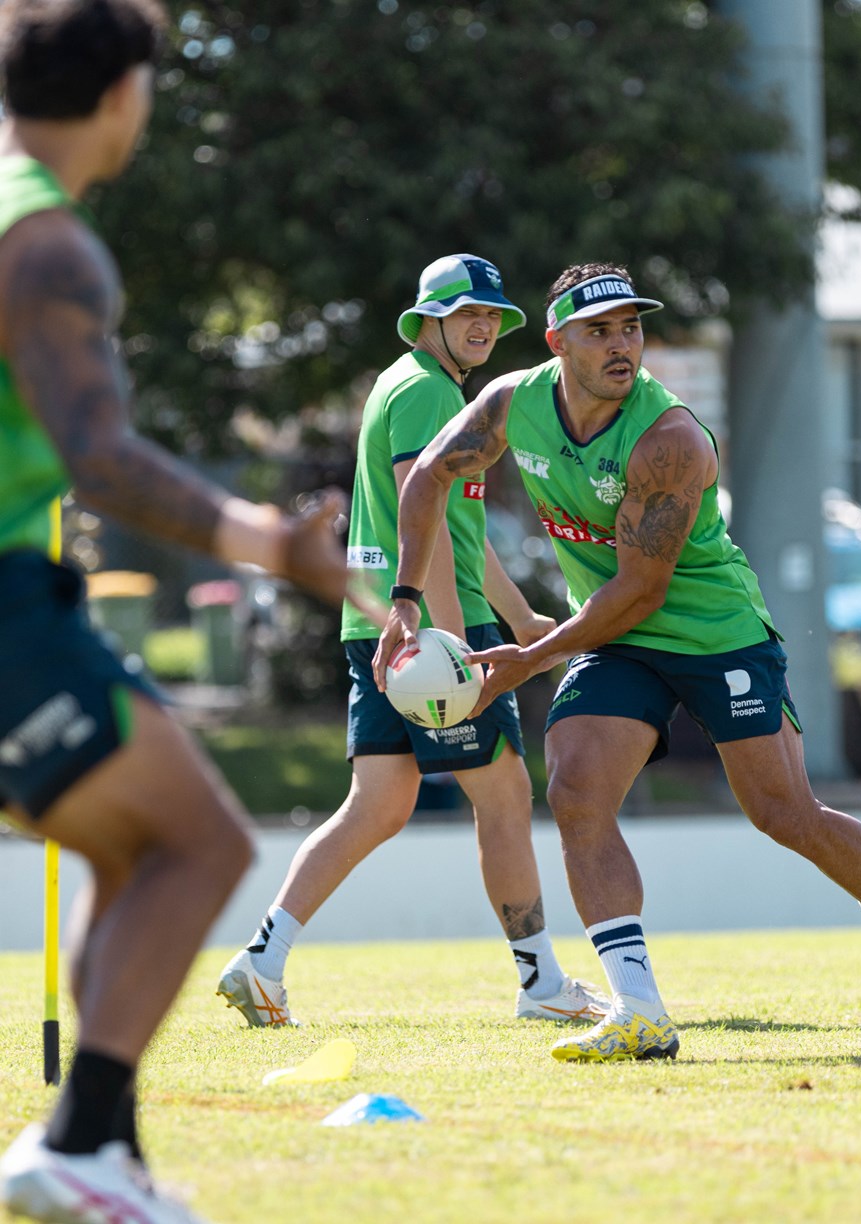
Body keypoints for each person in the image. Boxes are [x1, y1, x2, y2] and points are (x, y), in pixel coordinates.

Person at [374, 263, 861, 1062]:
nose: (622, 346)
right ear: (557, 343)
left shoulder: (671, 439)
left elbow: (640, 591)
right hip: (620, 640)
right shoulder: (512, 403)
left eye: (632, 328)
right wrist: (406, 599)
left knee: (783, 813)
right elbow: (428, 479)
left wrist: (526, 660)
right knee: (578, 786)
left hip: (715, 633)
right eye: (599, 331)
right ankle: (640, 1007)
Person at [0, 2, 360, 1221]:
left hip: (23, 598)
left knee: (127, 848)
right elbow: (100, 453)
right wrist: (265, 539)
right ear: (122, 97)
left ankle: (107, 1160)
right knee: (204, 845)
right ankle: (78, 1147)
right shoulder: (48, 241)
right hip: (2, 601)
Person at [217, 254, 608, 1028]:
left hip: (380, 628)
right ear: (426, 319)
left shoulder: (404, 383)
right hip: (427, 629)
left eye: (493, 316)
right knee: (504, 794)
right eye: (467, 313)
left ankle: (261, 960)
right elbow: (418, 511)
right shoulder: (431, 393)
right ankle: (541, 983)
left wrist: (522, 616)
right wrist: (453, 643)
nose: (483, 326)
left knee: (378, 805)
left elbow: (456, 525)